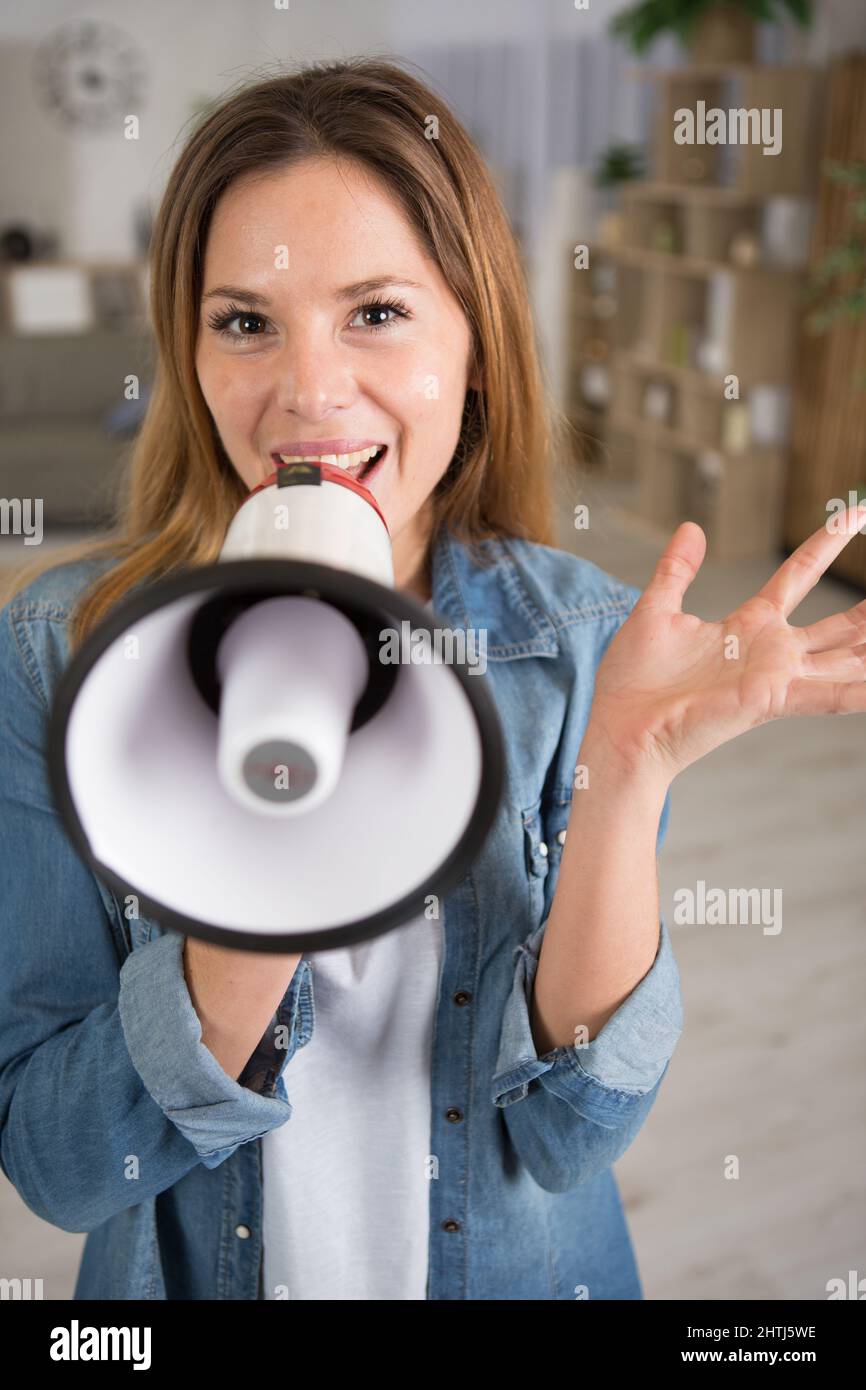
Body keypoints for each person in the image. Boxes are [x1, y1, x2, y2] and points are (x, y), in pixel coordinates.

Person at [1, 57, 864, 1303]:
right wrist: (254, 878)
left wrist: (621, 776)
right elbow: (59, 1168)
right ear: (190, 353)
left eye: (377, 312)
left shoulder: (583, 649)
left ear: (474, 344)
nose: (307, 392)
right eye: (244, 320)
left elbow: (571, 1138)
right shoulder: (54, 655)